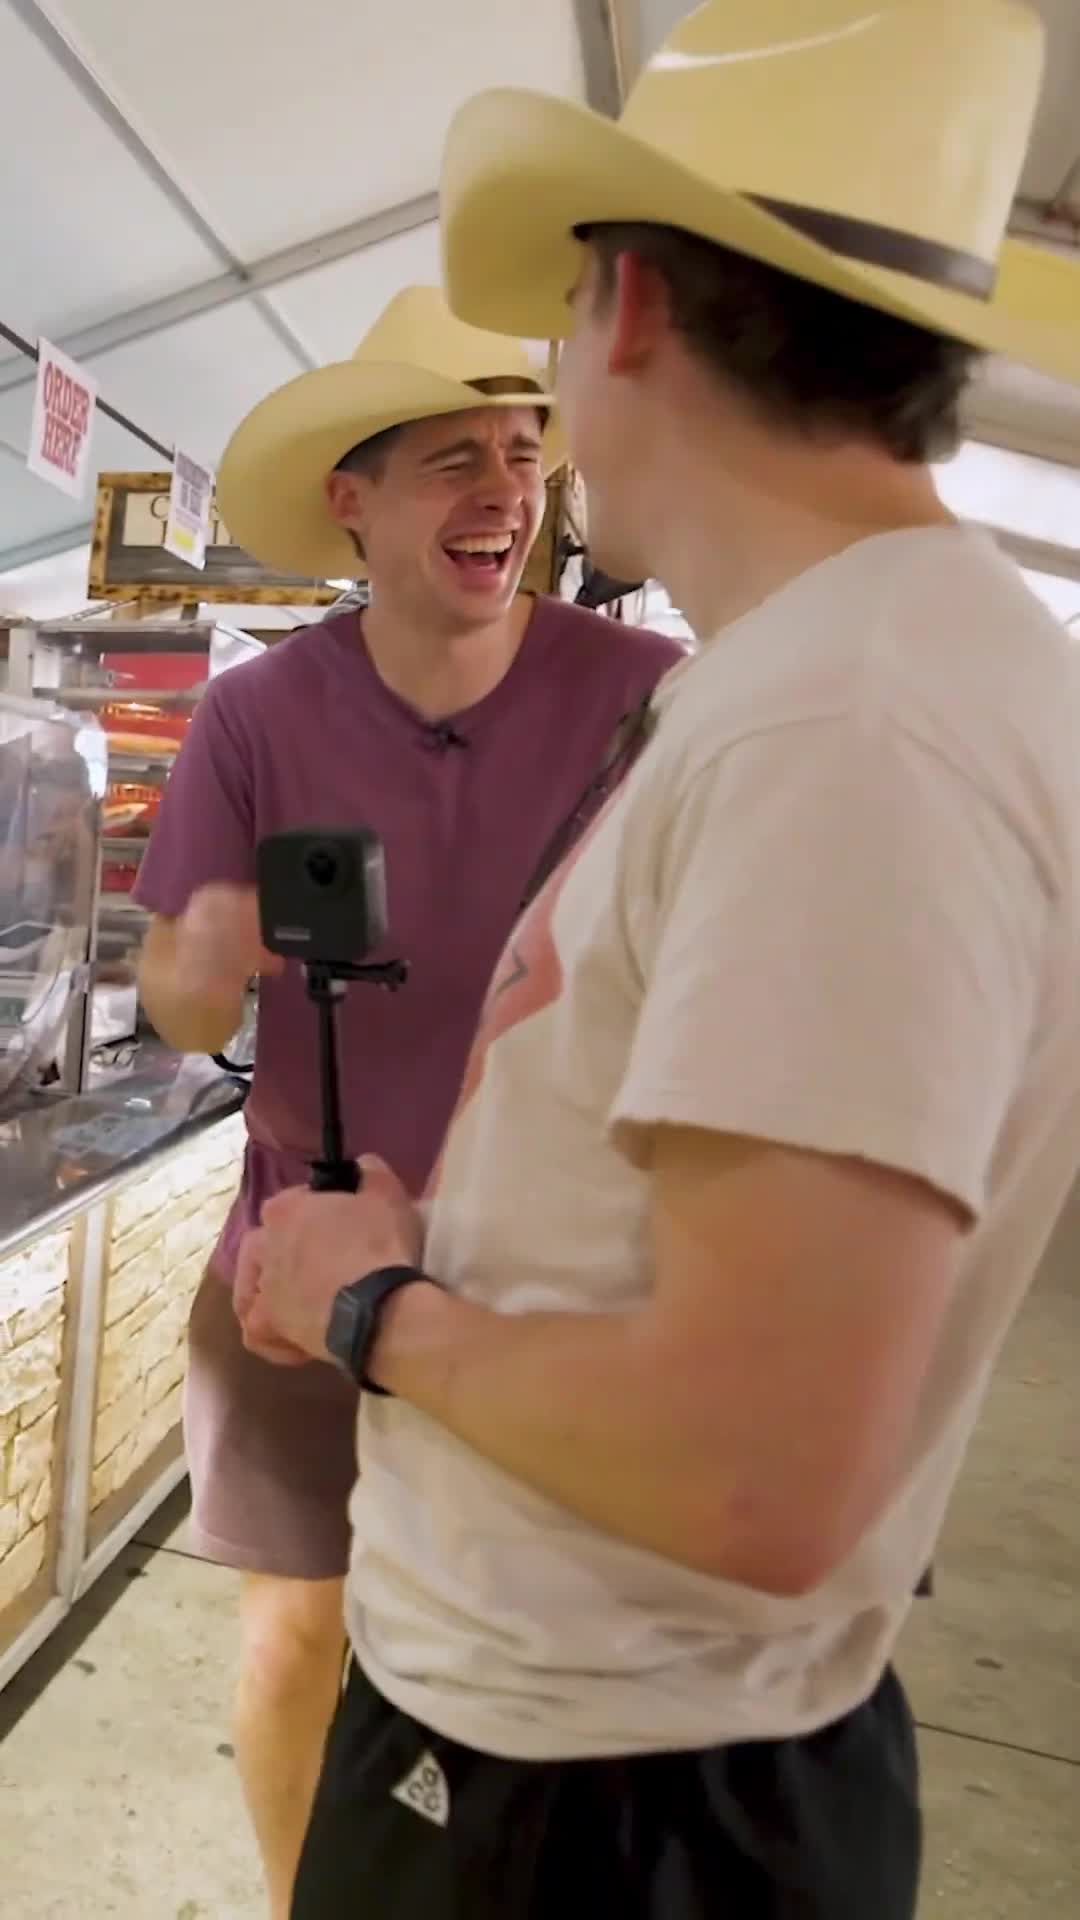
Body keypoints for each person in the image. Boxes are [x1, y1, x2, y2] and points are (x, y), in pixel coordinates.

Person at [238, 3, 1080, 1916]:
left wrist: (378, 1306)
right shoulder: (848, 670)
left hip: (597, 1799)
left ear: (624, 312)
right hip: (598, 1747)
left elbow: (755, 1468)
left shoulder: (848, 723)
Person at [133, 283, 681, 1918]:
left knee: (537, 1672)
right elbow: (177, 1000)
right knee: (302, 1631)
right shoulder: (252, 714)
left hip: (559, 1277)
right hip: (296, 1262)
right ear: (352, 502)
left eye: (524, 453)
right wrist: (208, 955)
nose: (508, 493)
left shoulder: (651, 697)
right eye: (456, 458)